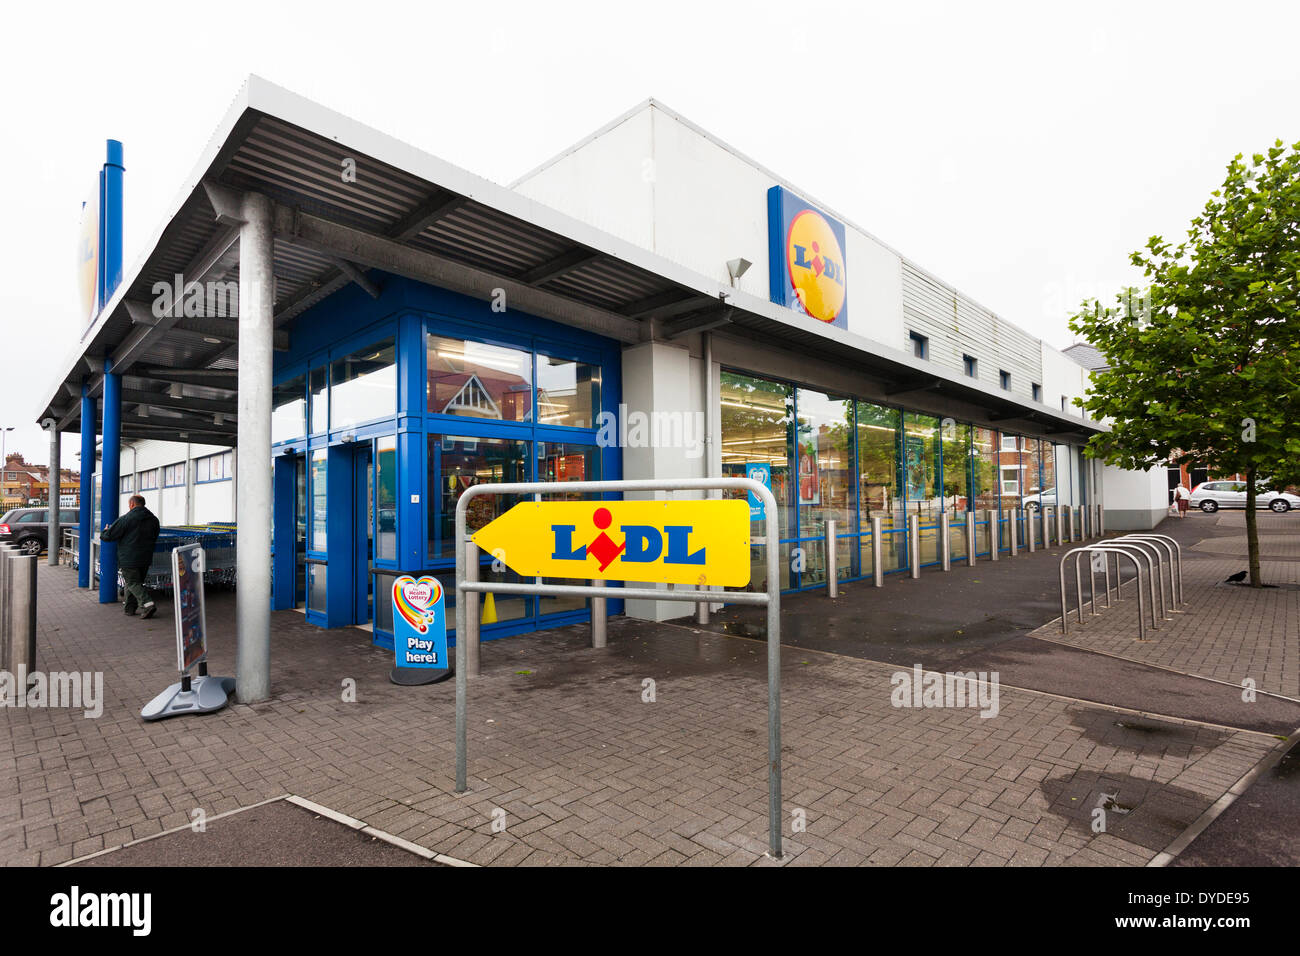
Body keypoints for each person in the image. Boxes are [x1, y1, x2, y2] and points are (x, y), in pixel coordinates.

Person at [101, 495, 162, 618]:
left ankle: (147, 604)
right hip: (145, 557)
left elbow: (108, 537)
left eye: (129, 505)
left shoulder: (126, 519)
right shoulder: (154, 520)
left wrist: (105, 530)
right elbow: (155, 536)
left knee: (133, 582)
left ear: (132, 504)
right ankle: (129, 608)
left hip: (129, 558)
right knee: (134, 583)